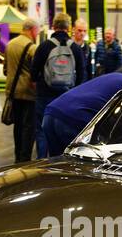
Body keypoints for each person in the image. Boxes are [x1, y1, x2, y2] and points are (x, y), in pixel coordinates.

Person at [30, 12, 86, 157]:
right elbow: (82, 74)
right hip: (67, 96)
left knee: (41, 130)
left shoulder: (44, 46)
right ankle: (60, 160)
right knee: (63, 129)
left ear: (54, 26)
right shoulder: (75, 48)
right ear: (69, 28)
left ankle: (41, 161)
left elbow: (33, 71)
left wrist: (37, 84)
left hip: (44, 94)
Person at [3, 18, 40, 162]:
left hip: (12, 92)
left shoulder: (10, 44)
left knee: (17, 126)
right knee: (28, 128)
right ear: (32, 30)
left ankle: (17, 155)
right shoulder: (32, 48)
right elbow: (35, 72)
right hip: (28, 94)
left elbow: (6, 69)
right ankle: (24, 158)